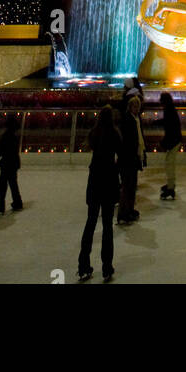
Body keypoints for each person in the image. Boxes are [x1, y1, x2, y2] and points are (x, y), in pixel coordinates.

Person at [78, 105, 121, 281]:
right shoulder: (114, 134)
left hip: (95, 180)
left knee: (90, 224)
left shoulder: (94, 134)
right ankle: (107, 266)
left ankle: (83, 264)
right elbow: (122, 154)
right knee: (107, 227)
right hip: (109, 181)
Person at [117, 94, 145, 223]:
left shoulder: (136, 119)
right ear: (130, 107)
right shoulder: (127, 119)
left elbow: (139, 138)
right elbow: (126, 141)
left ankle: (130, 209)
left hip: (134, 156)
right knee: (127, 186)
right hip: (128, 158)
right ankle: (123, 213)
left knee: (132, 186)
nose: (136, 108)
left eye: (138, 106)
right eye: (134, 105)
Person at [0, 115, 23, 215]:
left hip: (7, 163)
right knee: (12, 183)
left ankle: (0, 206)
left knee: (2, 185)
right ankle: (17, 202)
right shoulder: (14, 136)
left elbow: (1, 150)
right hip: (14, 163)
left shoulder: (6, 136)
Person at [159, 92, 182, 200]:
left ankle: (171, 187)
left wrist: (165, 142)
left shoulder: (169, 110)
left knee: (169, 164)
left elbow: (170, 127)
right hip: (175, 139)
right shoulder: (170, 109)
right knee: (169, 163)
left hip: (174, 140)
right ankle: (170, 184)